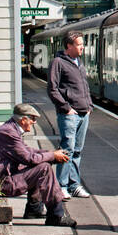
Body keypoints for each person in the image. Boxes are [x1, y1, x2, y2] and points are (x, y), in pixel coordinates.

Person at [0, 103, 76, 228]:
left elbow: (29, 151)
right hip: (0, 182)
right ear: (23, 120)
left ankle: (34, 209)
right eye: (32, 119)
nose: (34, 122)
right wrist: (53, 156)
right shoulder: (8, 133)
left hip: (3, 177)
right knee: (43, 168)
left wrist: (51, 154)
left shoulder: (11, 129)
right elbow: (29, 158)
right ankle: (56, 215)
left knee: (42, 163)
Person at [47, 30, 92, 198]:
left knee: (77, 151)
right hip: (69, 115)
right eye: (79, 44)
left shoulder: (78, 63)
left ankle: (74, 185)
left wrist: (89, 106)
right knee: (67, 149)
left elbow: (84, 86)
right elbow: (52, 89)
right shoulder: (58, 63)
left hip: (83, 113)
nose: (82, 47)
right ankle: (61, 186)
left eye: (82, 44)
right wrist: (66, 108)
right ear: (69, 46)